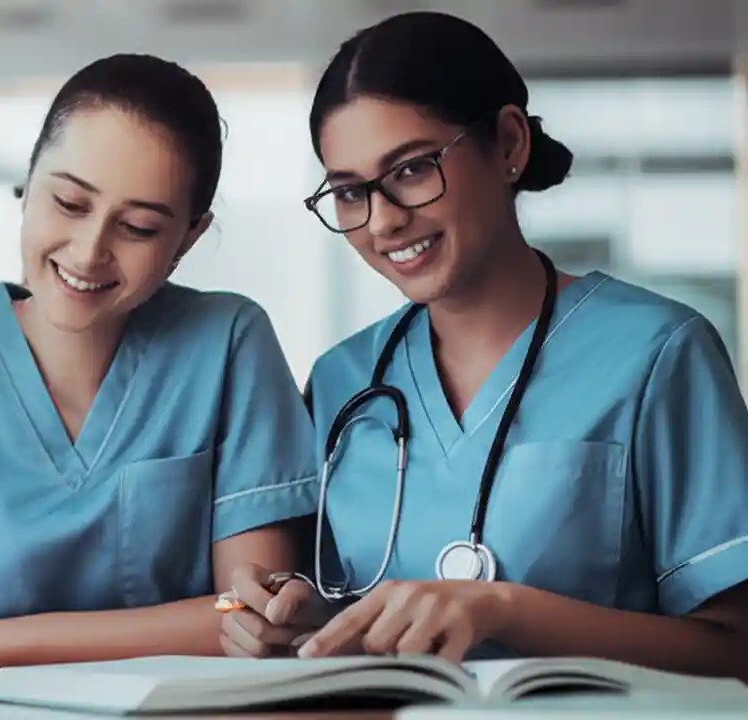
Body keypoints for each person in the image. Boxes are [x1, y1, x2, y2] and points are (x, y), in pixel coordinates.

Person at [221, 11, 748, 679]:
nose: (383, 221)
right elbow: (332, 607)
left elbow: (736, 647)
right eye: (351, 192)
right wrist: (288, 622)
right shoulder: (341, 382)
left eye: (411, 170)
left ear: (507, 145)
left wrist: (504, 610)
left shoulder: (659, 353)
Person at [0, 54, 317, 677]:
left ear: (188, 239)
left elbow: (243, 617)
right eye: (68, 202)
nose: (89, 253)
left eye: (139, 227)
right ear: (28, 183)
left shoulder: (228, 341)